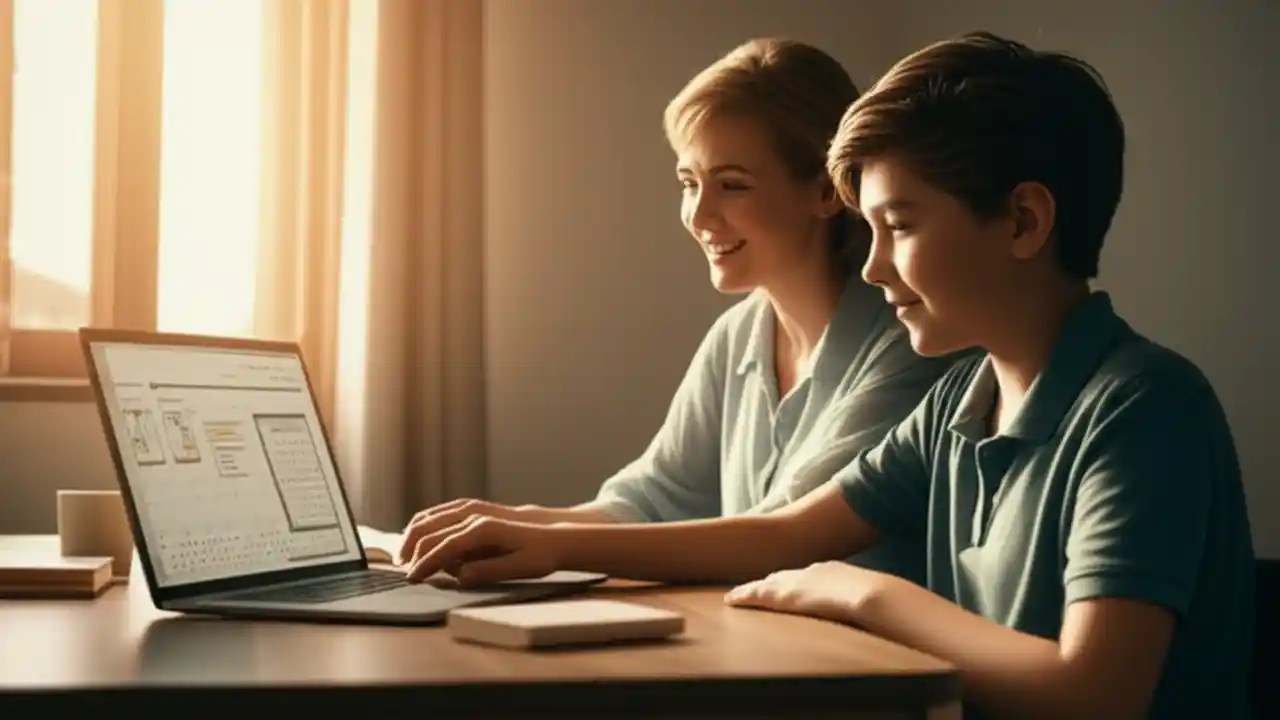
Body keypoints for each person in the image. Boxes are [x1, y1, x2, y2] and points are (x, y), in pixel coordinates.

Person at [397, 31, 1257, 719]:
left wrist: (868, 596)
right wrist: (541, 538)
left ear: (1025, 220)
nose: (874, 270)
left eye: (899, 227)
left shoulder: (1143, 406)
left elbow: (1094, 695)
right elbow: (784, 534)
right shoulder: (966, 396)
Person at [399, 38, 962, 582]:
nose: (699, 215)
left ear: (826, 191)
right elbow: (653, 499)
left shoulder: (907, 340)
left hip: (866, 666)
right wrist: (508, 522)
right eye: (688, 183)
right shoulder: (739, 334)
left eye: (732, 186)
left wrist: (555, 545)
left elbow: (785, 537)